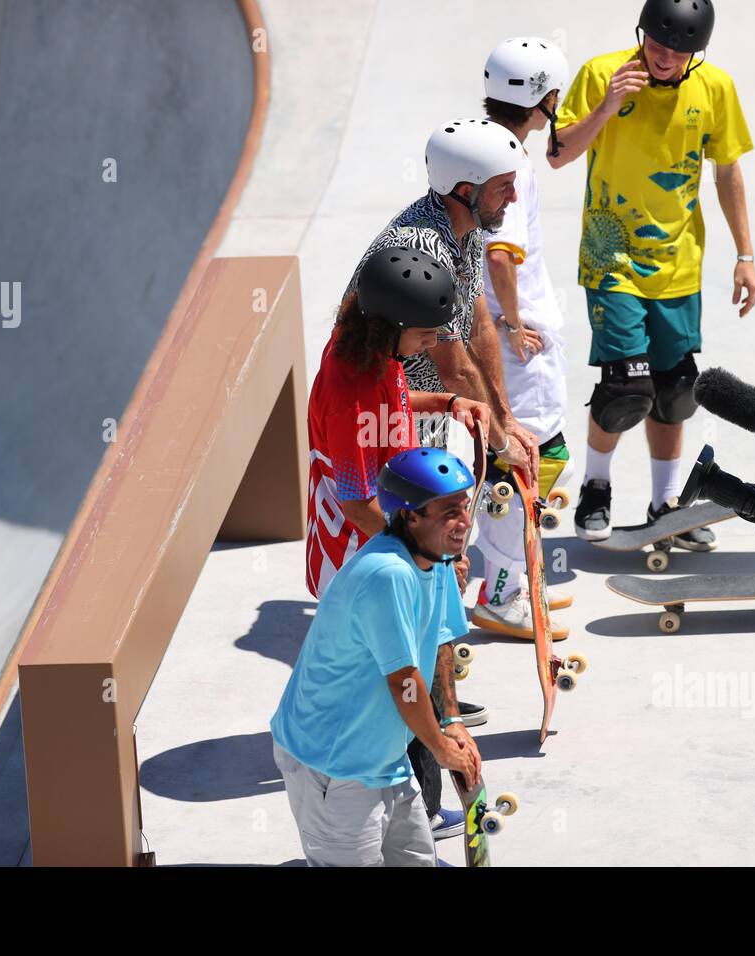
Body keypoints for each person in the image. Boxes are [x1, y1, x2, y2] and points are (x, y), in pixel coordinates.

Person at [549, 0, 755, 548]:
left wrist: (745, 254)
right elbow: (557, 154)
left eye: (679, 50)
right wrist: (608, 104)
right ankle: (596, 486)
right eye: (657, 45)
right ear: (640, 34)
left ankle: (666, 503)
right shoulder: (601, 73)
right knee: (626, 387)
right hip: (610, 257)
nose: (665, 58)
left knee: (675, 390)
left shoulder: (714, 87)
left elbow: (727, 171)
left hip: (679, 264)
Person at [305, 247, 489, 842]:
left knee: (426, 660)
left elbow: (399, 406)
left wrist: (450, 402)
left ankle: (428, 778)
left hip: (399, 531)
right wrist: (427, 558)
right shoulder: (349, 391)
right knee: (395, 682)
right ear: (392, 324)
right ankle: (411, 811)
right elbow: (360, 505)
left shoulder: (375, 351)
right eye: (428, 333)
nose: (433, 342)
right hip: (362, 552)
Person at [271, 448, 483, 866]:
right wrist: (439, 748)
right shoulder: (387, 573)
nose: (464, 522)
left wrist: (452, 719)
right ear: (410, 516)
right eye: (449, 511)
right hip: (333, 763)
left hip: (384, 757)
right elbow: (404, 681)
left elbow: (441, 641)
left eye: (465, 506)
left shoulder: (436, 557)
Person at [345, 118, 541, 483]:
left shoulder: (470, 229)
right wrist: (501, 447)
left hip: (424, 407)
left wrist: (505, 419)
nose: (514, 197)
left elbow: (480, 327)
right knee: (402, 526)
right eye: (504, 187)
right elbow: (457, 369)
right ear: (467, 190)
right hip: (381, 416)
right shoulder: (426, 248)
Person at [470, 36, 574, 638]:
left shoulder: (482, 145)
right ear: (548, 98)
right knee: (532, 458)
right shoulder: (511, 159)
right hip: (517, 343)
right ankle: (502, 594)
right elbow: (502, 256)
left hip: (498, 334)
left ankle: (515, 578)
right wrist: (512, 324)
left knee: (514, 460)